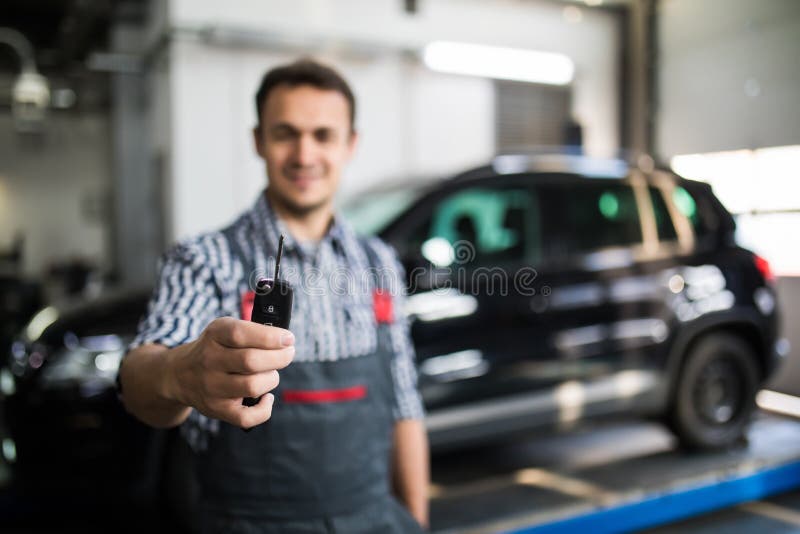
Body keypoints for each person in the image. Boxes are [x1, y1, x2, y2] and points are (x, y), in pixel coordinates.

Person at [118, 58, 429, 533]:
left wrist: (416, 521)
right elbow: (141, 376)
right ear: (259, 140)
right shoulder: (204, 259)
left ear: (350, 145)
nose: (304, 155)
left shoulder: (379, 263)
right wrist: (178, 373)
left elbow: (404, 408)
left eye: (323, 135)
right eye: (286, 133)